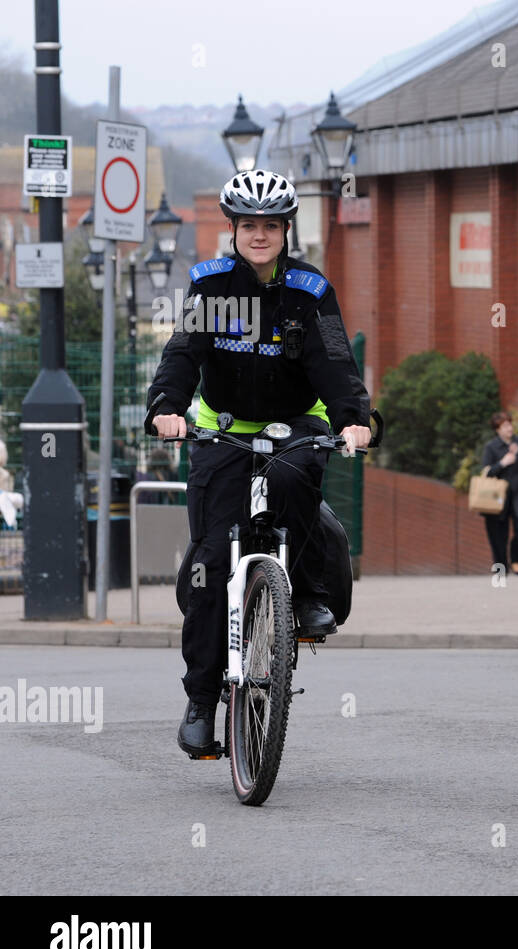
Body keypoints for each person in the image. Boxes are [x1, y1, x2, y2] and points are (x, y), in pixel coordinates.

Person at [147, 168, 372, 758]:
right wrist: (167, 408)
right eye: (249, 226)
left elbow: (335, 362)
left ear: (285, 230)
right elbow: (181, 355)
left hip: (295, 426)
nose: (260, 235)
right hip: (222, 432)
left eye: (271, 226)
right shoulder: (210, 287)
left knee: (295, 475)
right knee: (211, 562)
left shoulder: (311, 290)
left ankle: (305, 593)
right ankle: (200, 703)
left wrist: (355, 418)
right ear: (233, 230)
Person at [481, 411, 518, 575]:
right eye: (505, 426)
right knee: (499, 533)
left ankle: (516, 560)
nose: (509, 428)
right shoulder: (491, 447)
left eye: (510, 424)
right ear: (497, 429)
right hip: (499, 495)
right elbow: (487, 472)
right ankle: (501, 566)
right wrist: (502, 463)